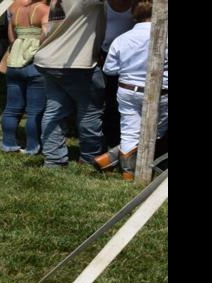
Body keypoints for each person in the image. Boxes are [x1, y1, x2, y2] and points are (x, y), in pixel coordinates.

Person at [32, 0, 106, 169]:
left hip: (49, 59)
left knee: (55, 110)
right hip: (76, 63)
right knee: (89, 111)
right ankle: (90, 158)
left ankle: (53, 159)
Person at [99, 0, 155, 179]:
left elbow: (109, 69)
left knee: (130, 131)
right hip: (157, 92)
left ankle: (125, 172)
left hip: (127, 90)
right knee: (155, 132)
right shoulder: (162, 36)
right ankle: (115, 159)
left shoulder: (121, 39)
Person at [0, 0, 52, 154]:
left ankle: (8, 143)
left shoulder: (17, 11)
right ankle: (32, 146)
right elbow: (47, 33)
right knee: (35, 110)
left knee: (11, 108)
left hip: (14, 62)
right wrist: (35, 47)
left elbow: (11, 37)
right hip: (35, 64)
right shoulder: (45, 10)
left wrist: (21, 45)